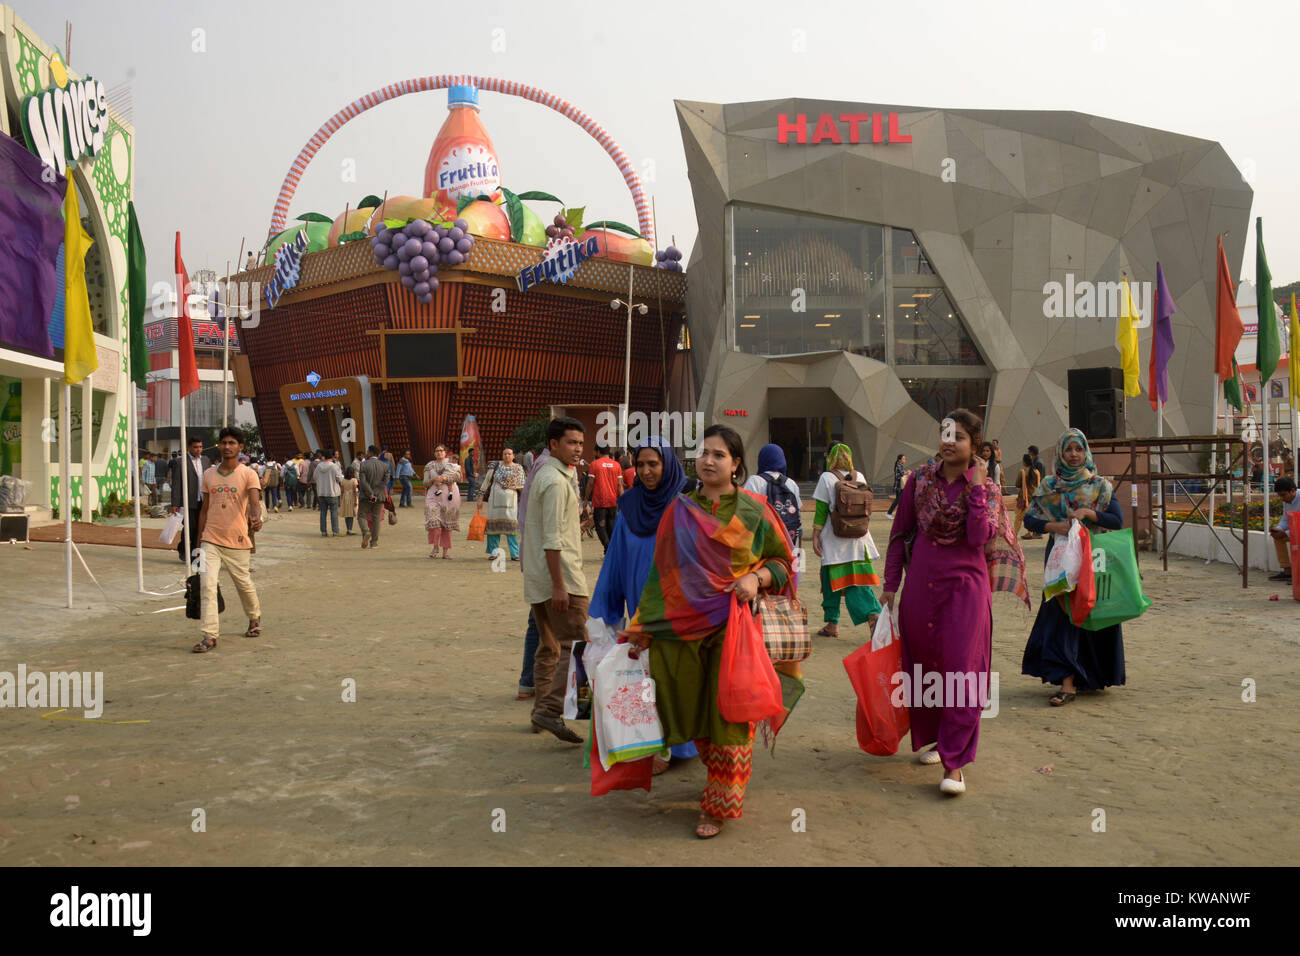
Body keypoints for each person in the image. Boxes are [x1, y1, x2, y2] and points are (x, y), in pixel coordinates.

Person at [623, 425, 795, 838]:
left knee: (730, 715)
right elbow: (661, 574)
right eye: (703, 452)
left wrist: (757, 580)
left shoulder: (754, 510)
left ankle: (720, 801)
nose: (708, 460)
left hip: (736, 631)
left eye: (719, 454)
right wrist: (643, 624)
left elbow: (783, 564)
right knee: (689, 707)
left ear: (736, 464)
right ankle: (714, 776)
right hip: (682, 629)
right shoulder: (679, 511)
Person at [883, 409, 1015, 796]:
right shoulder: (919, 480)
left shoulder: (987, 489)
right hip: (921, 586)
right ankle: (939, 739)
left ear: (976, 445)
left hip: (966, 588)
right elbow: (900, 531)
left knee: (962, 669)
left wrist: (975, 488)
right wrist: (891, 583)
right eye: (944, 434)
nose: (948, 442)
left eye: (958, 436)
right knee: (924, 666)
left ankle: (955, 764)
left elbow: (978, 536)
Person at [589, 436, 698, 774]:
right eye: (641, 464)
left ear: (668, 464)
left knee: (678, 676)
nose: (647, 471)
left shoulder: (686, 504)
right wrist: (604, 611)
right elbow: (616, 561)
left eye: (654, 464)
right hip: (641, 608)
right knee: (646, 677)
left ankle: (685, 744)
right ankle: (660, 747)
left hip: (681, 609)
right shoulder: (629, 506)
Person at [1021, 428, 1126, 707]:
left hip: (1093, 560)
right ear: (1060, 453)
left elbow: (1117, 520)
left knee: (1091, 615)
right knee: (1060, 616)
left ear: (1086, 452)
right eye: (1069, 449)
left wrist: (1089, 513)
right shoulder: (1049, 486)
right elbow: (1030, 521)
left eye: (1079, 449)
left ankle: (1089, 676)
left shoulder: (1100, 486)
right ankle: (1067, 683)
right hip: (1059, 559)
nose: (1074, 454)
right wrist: (1055, 526)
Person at [522, 417, 589, 744]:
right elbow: (552, 539)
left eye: (580, 442)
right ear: (553, 445)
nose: (578, 449)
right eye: (571, 443)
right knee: (576, 647)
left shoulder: (552, 474)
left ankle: (540, 713)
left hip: (541, 577)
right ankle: (550, 709)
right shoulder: (555, 481)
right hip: (562, 580)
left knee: (549, 645)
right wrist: (560, 585)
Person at [191, 427, 263, 653]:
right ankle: (210, 635)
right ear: (219, 446)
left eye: (232, 443)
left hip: (237, 539)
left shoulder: (248, 474)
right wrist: (198, 540)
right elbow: (204, 509)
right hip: (210, 539)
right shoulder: (209, 474)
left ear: (240, 447)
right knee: (207, 586)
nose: (227, 447)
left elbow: (254, 500)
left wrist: (256, 516)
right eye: (224, 443)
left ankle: (254, 617)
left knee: (243, 584)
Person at [810, 443, 881, 638]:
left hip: (834, 540)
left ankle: (872, 617)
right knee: (857, 580)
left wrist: (815, 536)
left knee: (837, 582)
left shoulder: (826, 477)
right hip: (859, 538)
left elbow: (821, 511)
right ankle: (832, 625)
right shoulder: (860, 477)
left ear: (830, 458)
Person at [743, 443, 802, 550]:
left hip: (763, 544)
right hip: (788, 543)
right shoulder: (791, 483)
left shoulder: (755, 481)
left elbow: (747, 514)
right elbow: (797, 515)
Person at [476, 447, 526, 560]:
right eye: (505, 454)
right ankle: (494, 553)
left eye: (509, 454)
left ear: (513, 456)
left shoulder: (518, 469)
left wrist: (525, 500)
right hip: (495, 503)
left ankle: (515, 554)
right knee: (493, 529)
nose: (507, 456)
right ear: (502, 455)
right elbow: (486, 481)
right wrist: (480, 497)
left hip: (511, 504)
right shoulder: (495, 467)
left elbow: (523, 486)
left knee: (512, 529)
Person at [171, 437, 210, 565]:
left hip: (203, 501)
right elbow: (176, 484)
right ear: (188, 447)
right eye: (195, 447)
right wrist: (175, 503)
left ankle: (195, 554)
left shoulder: (205, 460)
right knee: (190, 528)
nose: (198, 450)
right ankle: (183, 549)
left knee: (201, 529)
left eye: (200, 447)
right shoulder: (180, 462)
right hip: (188, 501)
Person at [582, 446, 624, 552]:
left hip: (600, 501)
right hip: (613, 501)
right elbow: (620, 485)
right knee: (611, 525)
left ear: (598, 451)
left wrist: (586, 499)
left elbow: (590, 483)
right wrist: (623, 500)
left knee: (600, 526)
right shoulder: (617, 465)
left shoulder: (595, 464)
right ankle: (610, 550)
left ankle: (608, 548)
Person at [424, 443, 462, 558]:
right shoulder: (429, 465)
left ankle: (445, 552)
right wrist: (433, 480)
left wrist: (445, 478)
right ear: (434, 453)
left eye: (441, 450)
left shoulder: (451, 464)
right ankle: (435, 547)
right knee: (433, 520)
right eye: (436, 451)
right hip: (433, 496)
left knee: (447, 524)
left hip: (450, 496)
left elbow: (459, 477)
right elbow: (425, 483)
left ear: (446, 452)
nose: (439, 452)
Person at [1266, 476, 1299, 582]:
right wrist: (1278, 529)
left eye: (1284, 495)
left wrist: (1286, 533)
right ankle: (1287, 571)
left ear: (1293, 491)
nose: (1282, 498)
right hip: (1296, 531)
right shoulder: (1287, 501)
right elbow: (1285, 520)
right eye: (1280, 496)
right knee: (1278, 538)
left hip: (1296, 531)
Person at [357, 444, 389, 550]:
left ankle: (366, 531)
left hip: (366, 496)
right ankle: (374, 542)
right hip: (379, 496)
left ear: (370, 453)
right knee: (376, 519)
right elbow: (385, 482)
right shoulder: (385, 466)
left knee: (362, 515)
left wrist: (370, 492)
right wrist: (375, 492)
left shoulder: (364, 465)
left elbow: (363, 480)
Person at [315, 449, 343, 537]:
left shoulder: (319, 466)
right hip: (332, 492)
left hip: (321, 492)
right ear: (332, 457)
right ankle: (335, 531)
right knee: (334, 512)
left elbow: (314, 476)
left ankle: (323, 531)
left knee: (323, 512)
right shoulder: (334, 466)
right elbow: (339, 478)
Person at [1013, 452, 1040, 538]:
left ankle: (1014, 534)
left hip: (1023, 498)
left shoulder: (1022, 472)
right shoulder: (1036, 472)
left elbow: (1017, 484)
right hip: (1033, 497)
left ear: (1024, 462)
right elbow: (1037, 485)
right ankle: (1030, 533)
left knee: (1018, 518)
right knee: (1030, 515)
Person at [340, 463, 358, 535]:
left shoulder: (343, 480)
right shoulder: (354, 480)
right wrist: (356, 499)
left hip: (345, 497)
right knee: (351, 514)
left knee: (347, 513)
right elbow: (354, 491)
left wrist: (341, 499)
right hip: (351, 497)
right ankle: (350, 529)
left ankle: (348, 528)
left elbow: (342, 491)